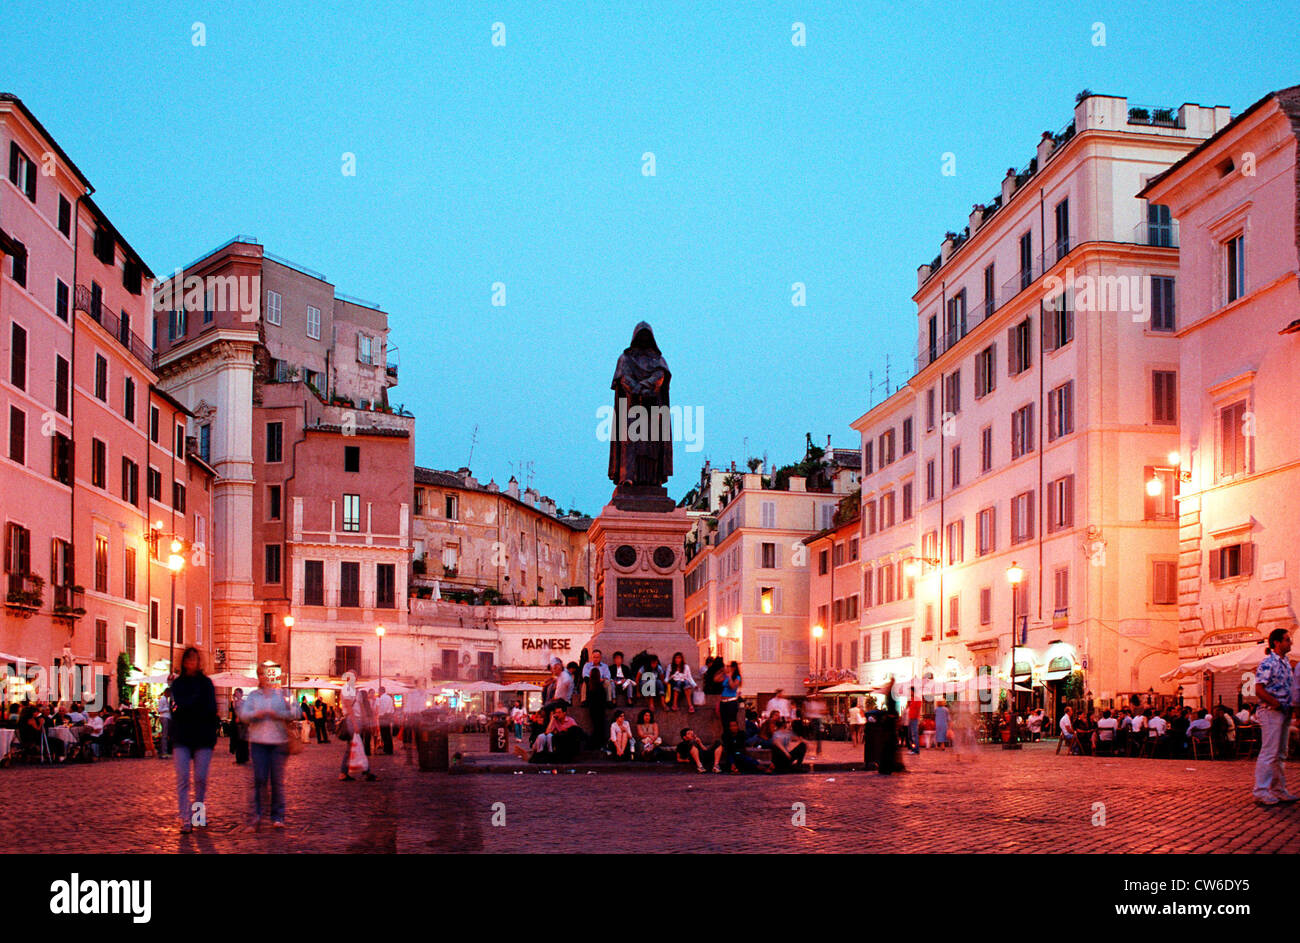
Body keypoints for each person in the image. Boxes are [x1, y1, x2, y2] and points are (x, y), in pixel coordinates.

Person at [237, 664, 295, 829]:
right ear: (259, 677)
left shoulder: (282, 694)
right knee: (259, 779)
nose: (264, 677)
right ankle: (256, 815)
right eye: (261, 674)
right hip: (258, 742)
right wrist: (256, 715)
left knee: (277, 781)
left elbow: (294, 713)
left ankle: (278, 816)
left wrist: (279, 715)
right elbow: (244, 715)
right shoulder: (254, 696)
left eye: (267, 674)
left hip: (278, 742)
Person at [169, 647, 219, 833]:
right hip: (182, 736)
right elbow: (181, 705)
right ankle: (185, 819)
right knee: (182, 779)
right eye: (188, 659)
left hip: (203, 736)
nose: (191, 662)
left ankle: (198, 816)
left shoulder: (206, 684)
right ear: (184, 662)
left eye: (194, 659)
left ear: (199, 662)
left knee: (200, 779)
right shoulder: (179, 684)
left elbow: (211, 709)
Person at [1252, 628, 1296, 805]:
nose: (1290, 642)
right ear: (1277, 642)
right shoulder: (1268, 663)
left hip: (1284, 711)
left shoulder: (1285, 662)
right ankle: (1261, 791)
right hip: (1271, 711)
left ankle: (1278, 789)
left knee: (1280, 753)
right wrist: (1275, 703)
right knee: (1269, 752)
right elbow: (1258, 688)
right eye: (1287, 640)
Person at [581, 664, 610, 748]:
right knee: (600, 726)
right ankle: (600, 742)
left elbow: (589, 698)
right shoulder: (600, 687)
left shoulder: (590, 686)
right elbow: (603, 697)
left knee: (596, 726)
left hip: (592, 709)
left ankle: (594, 743)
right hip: (600, 709)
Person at [719, 661, 743, 730]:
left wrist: (730, 677)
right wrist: (723, 672)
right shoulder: (725, 676)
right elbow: (716, 679)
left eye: (729, 666)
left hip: (731, 701)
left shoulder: (737, 677)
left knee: (732, 721)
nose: (727, 668)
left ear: (733, 668)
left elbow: (733, 686)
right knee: (724, 722)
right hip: (723, 702)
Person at [228, 689, 249, 764]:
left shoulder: (244, 703)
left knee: (242, 741)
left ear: (241, 694)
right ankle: (238, 758)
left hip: (242, 723)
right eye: (235, 693)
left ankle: (243, 758)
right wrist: (233, 700)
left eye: (237, 693)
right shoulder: (234, 703)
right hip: (235, 724)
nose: (236, 694)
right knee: (236, 741)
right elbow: (231, 710)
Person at [375, 686, 396, 755]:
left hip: (383, 716)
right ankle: (390, 749)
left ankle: (386, 749)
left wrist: (379, 715)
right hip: (389, 716)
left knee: (384, 733)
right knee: (388, 733)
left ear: (380, 691)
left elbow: (381, 709)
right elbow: (392, 708)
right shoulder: (389, 698)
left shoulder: (381, 699)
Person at [905, 689, 922, 755]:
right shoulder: (911, 699)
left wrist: (916, 716)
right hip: (910, 718)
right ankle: (912, 749)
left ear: (913, 691)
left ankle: (916, 750)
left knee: (914, 734)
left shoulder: (917, 699)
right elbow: (909, 707)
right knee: (909, 734)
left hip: (914, 718)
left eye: (910, 691)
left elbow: (918, 709)